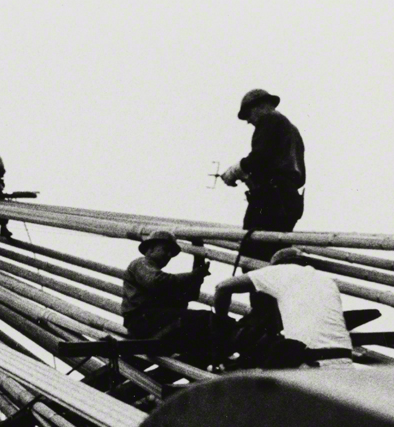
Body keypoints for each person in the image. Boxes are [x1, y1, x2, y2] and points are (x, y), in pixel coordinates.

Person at [210, 248, 352, 368]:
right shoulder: (327, 281)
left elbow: (222, 287)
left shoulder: (279, 271)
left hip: (310, 363)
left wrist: (221, 324)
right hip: (344, 361)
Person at [220, 89, 307, 262]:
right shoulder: (291, 129)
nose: (249, 121)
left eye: (248, 114)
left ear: (260, 106)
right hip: (288, 199)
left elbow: (259, 157)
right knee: (275, 252)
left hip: (271, 198)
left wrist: (235, 171)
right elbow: (272, 163)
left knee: (253, 252)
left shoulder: (269, 120)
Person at [120, 229, 212, 352]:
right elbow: (157, 282)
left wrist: (198, 259)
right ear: (151, 249)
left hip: (155, 320)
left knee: (206, 325)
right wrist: (194, 275)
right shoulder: (140, 263)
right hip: (142, 320)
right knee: (204, 318)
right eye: (166, 250)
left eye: (171, 253)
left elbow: (190, 294)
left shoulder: (166, 282)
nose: (169, 255)